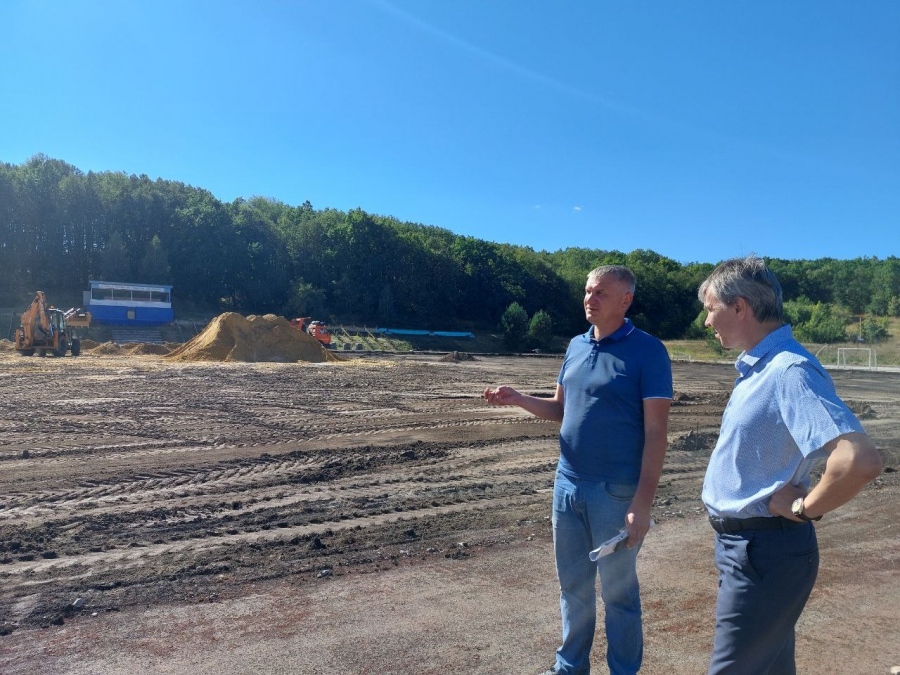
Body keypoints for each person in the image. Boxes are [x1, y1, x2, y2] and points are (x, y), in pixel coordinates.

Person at [698, 255, 883, 675]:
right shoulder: (761, 368)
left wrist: (804, 507)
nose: (707, 321)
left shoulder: (788, 371)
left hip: (764, 552)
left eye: (711, 309)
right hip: (750, 550)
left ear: (740, 307)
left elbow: (859, 459)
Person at [484, 265, 672, 675]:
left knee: (619, 595)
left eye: (601, 292)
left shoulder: (648, 351)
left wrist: (642, 504)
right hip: (567, 484)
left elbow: (657, 432)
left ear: (625, 300)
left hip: (616, 492)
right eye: (588, 291)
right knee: (573, 587)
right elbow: (561, 409)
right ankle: (570, 667)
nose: (590, 299)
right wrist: (519, 398)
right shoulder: (576, 345)